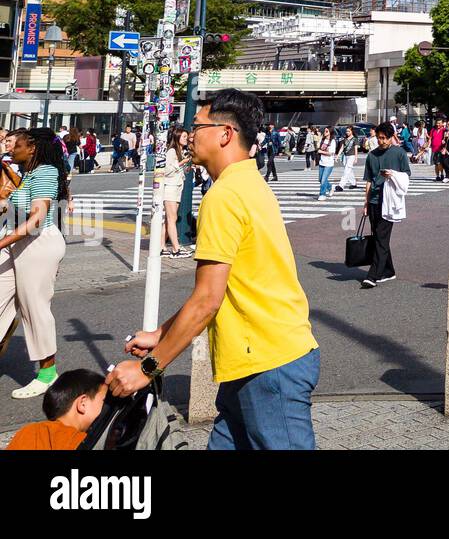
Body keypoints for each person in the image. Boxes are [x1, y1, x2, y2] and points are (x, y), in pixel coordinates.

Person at [107, 89, 319, 449]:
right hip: (256, 359)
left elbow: (207, 299)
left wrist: (147, 369)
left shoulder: (223, 196)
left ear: (225, 134)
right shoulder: (249, 182)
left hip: (269, 363)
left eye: (197, 126)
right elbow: (223, 290)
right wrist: (162, 332)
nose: (189, 135)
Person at [0, 128, 69, 398]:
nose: (10, 148)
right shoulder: (29, 172)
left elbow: (37, 218)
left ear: (32, 149)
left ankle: (47, 373)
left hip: (38, 244)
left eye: (15, 145)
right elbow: (19, 209)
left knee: (34, 308)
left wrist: (3, 243)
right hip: (17, 242)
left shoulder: (45, 172)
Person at [361, 123, 411, 288]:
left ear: (391, 137)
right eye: (378, 137)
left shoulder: (399, 153)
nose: (380, 141)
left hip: (389, 201)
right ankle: (388, 270)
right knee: (378, 237)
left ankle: (373, 275)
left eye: (384, 138)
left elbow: (406, 175)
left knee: (381, 237)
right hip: (375, 200)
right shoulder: (372, 155)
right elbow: (368, 180)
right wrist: (366, 203)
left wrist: (392, 175)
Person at [5, 369, 107, 449]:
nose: (108, 408)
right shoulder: (83, 440)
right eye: (105, 402)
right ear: (83, 403)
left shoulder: (29, 432)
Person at [160, 129, 193, 259]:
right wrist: (181, 163)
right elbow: (166, 170)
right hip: (170, 187)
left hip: (177, 186)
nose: (186, 138)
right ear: (177, 137)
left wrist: (187, 166)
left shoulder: (180, 151)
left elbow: (179, 170)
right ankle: (176, 249)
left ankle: (161, 247)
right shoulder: (172, 151)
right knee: (172, 219)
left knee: (169, 219)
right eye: (184, 136)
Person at [316, 129, 336, 200]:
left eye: (326, 131)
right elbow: (317, 147)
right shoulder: (323, 140)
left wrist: (321, 151)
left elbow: (331, 153)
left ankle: (322, 194)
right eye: (324, 131)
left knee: (323, 180)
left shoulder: (332, 141)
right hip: (322, 162)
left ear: (330, 132)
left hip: (329, 163)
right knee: (320, 179)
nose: (324, 132)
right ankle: (330, 187)